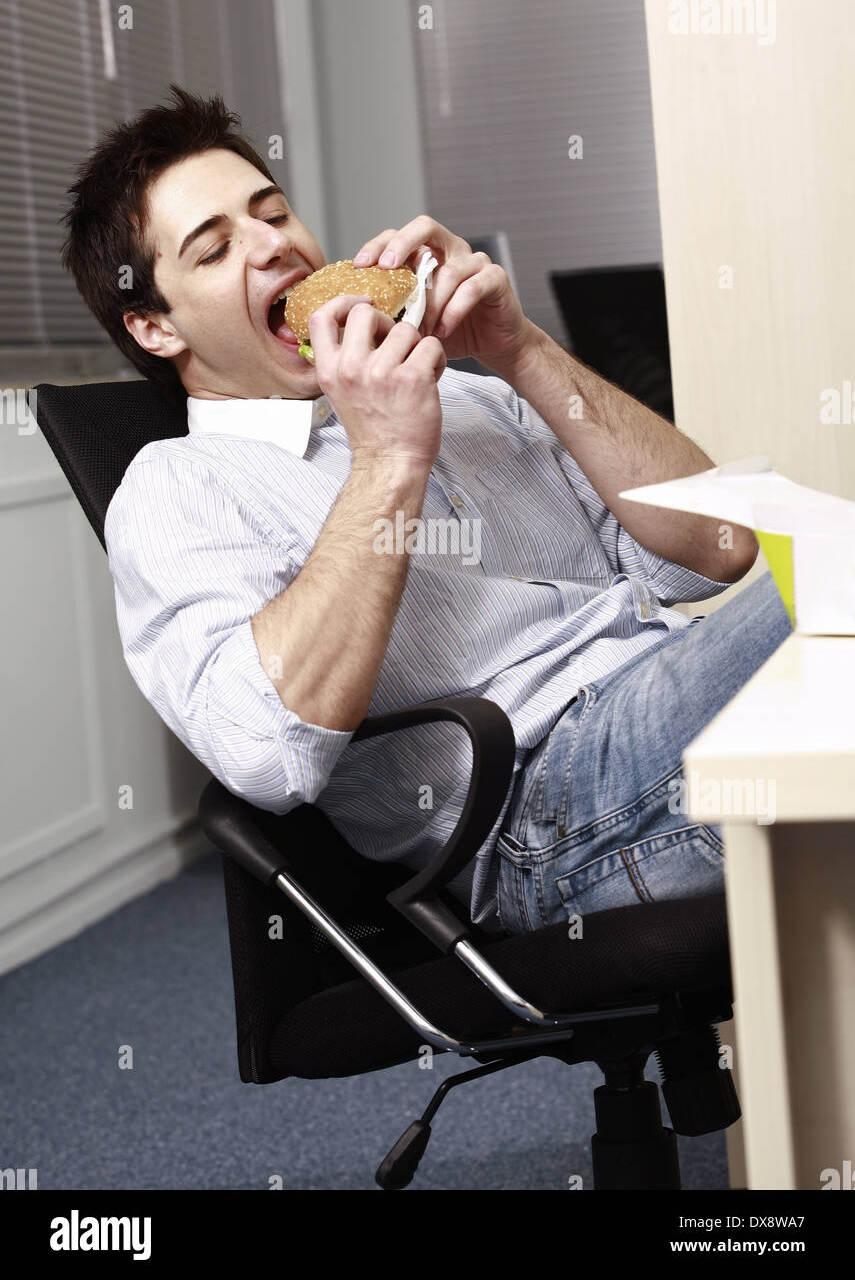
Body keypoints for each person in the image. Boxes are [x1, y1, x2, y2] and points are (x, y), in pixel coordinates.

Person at [60, 85, 791, 937]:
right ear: (154, 328)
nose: (272, 245)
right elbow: (263, 752)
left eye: (272, 213)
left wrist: (521, 349)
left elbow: (718, 546)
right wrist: (388, 458)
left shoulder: (469, 396)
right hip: (538, 814)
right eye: (215, 249)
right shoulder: (176, 488)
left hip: (666, 706)